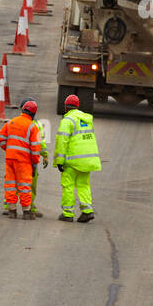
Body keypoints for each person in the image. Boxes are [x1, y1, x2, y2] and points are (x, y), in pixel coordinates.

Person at [54, 94, 101, 222]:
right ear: (77, 106)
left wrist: (59, 161)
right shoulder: (85, 119)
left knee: (68, 185)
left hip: (72, 160)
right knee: (83, 185)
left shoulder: (67, 120)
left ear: (65, 107)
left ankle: (68, 214)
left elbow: (61, 142)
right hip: (87, 161)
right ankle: (87, 211)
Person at [0, 98, 43, 219]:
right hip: (24, 161)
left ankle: (12, 210)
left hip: (10, 159)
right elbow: (35, 148)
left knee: (10, 184)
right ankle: (26, 212)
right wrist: (34, 162)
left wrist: (9, 149)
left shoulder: (11, 122)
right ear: (33, 114)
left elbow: (1, 139)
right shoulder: (33, 127)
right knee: (24, 186)